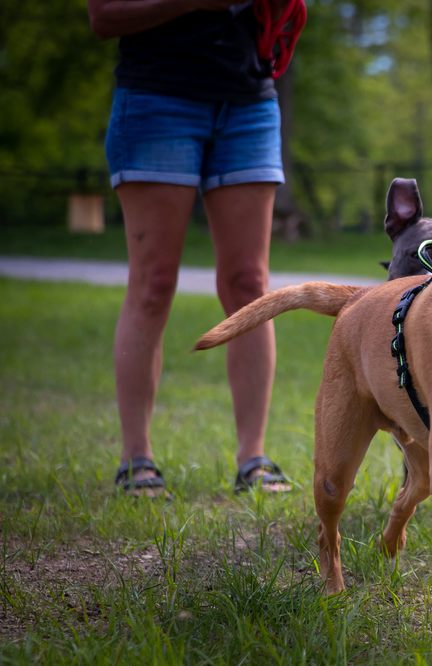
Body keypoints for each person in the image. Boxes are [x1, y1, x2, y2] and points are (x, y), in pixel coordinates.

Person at [87, 0, 305, 496]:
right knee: (153, 283)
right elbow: (102, 16)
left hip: (249, 100)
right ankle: (136, 457)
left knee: (250, 284)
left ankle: (254, 457)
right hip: (156, 98)